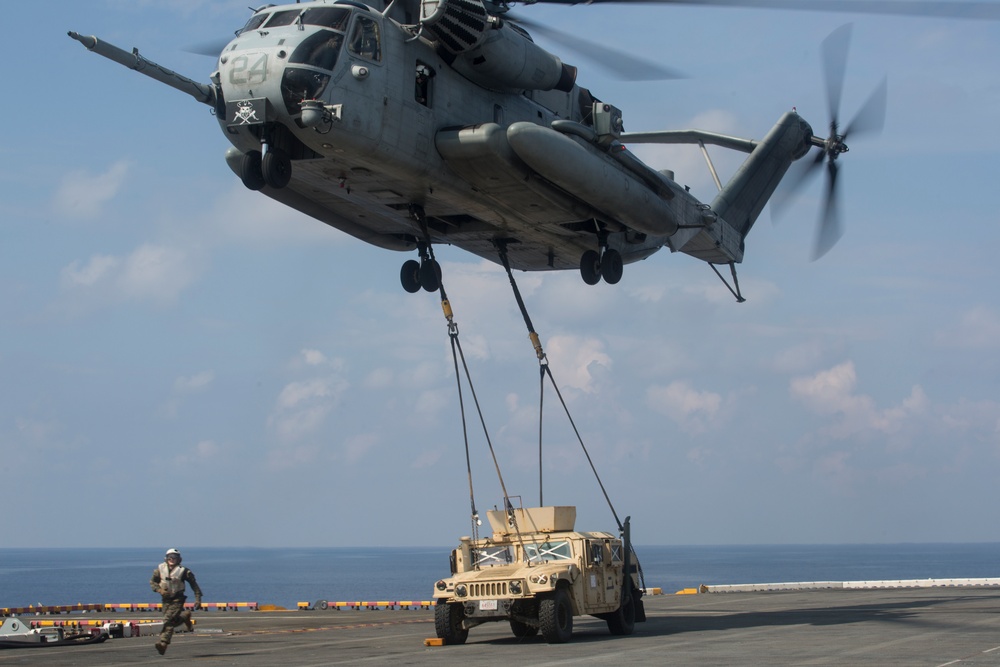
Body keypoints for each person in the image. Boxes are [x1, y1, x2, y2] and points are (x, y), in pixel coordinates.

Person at [150, 548, 203, 655]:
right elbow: (153, 582)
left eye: (175, 557)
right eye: (170, 557)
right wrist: (160, 590)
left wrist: (198, 598)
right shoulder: (159, 569)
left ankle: (163, 643)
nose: (172, 559)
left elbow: (194, 585)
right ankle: (185, 617)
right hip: (165, 599)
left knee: (167, 620)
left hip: (178, 599)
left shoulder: (184, 572)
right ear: (166, 558)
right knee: (172, 621)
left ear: (179, 559)